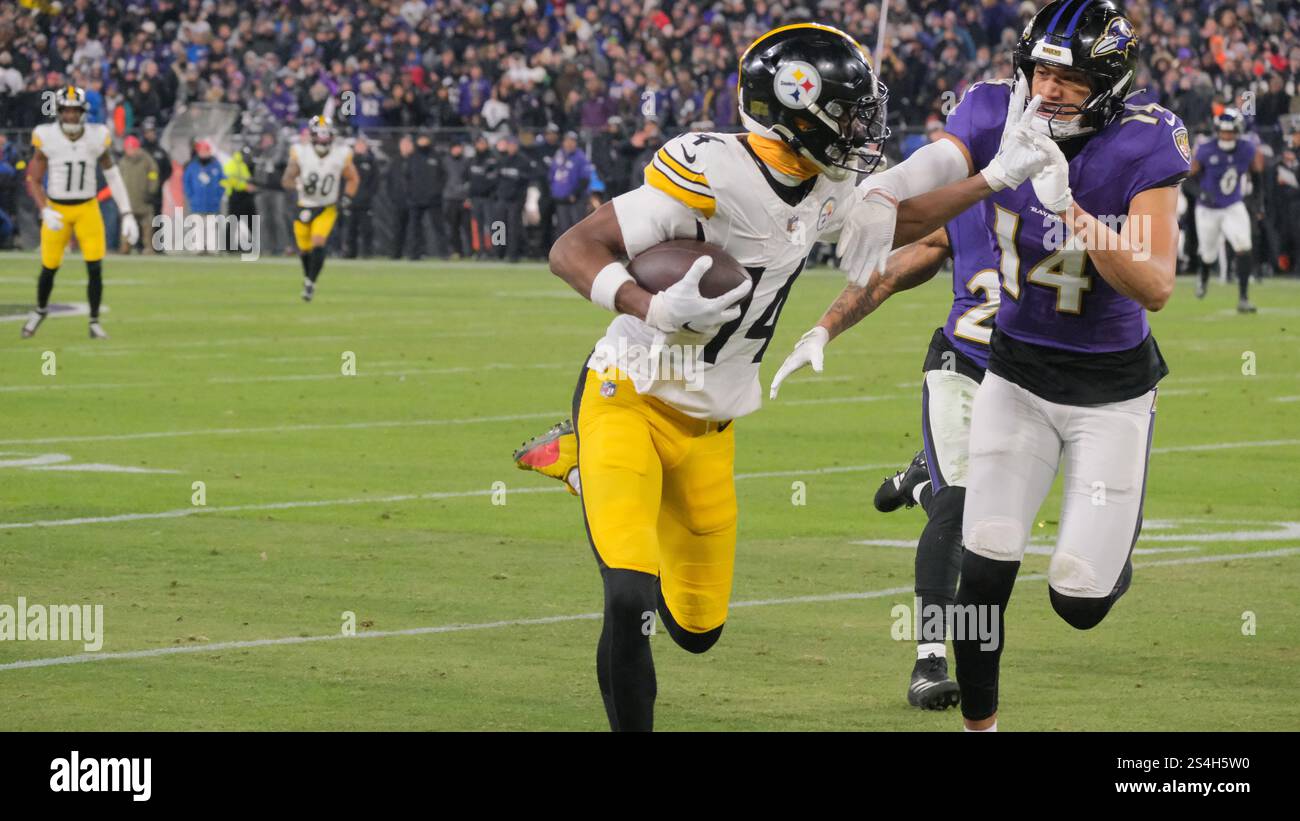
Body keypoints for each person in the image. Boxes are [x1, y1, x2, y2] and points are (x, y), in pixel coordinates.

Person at [510, 24, 895, 731]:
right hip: (625, 392)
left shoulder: (826, 188)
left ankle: (577, 467)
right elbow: (573, 248)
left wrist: (994, 178)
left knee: (696, 629)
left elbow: (912, 210)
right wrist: (648, 305)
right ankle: (591, 458)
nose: (858, 130)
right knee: (630, 598)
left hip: (709, 424)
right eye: (846, 113)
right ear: (796, 109)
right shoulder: (711, 169)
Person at [21, 85, 139, 340]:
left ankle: (94, 321)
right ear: (59, 111)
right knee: (49, 267)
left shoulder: (97, 136)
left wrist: (127, 212)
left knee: (95, 267)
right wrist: (44, 210)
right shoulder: (46, 136)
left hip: (87, 207)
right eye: (66, 110)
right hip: (57, 209)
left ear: (83, 111)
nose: (71, 115)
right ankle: (40, 310)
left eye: (75, 110)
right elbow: (33, 179)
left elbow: (112, 174)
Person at [1189, 109, 1265, 311]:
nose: (1226, 136)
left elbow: (1257, 176)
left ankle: (1243, 298)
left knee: (1243, 245)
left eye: (1230, 132)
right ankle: (1203, 278)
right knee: (1208, 254)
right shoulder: (1205, 149)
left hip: (1233, 204)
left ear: (1238, 131)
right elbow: (1188, 178)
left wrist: (1258, 203)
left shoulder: (1247, 148)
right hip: (1208, 208)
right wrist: (1201, 193)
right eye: (1223, 132)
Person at [281, 116, 359, 301]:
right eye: (320, 134)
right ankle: (308, 277)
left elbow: (353, 178)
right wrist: (298, 185)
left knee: (318, 241)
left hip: (326, 206)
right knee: (304, 249)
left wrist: (347, 198)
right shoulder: (301, 152)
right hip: (304, 205)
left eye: (326, 134)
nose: (323, 138)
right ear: (312, 134)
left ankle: (311, 283)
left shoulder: (340, 154)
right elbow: (287, 179)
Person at [117, 134, 159, 254]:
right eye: (128, 148)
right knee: (127, 226)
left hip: (143, 199)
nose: (130, 150)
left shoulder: (147, 160)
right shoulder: (122, 162)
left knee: (147, 226)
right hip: (128, 200)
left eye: (132, 148)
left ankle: (148, 248)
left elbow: (153, 174)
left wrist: (151, 190)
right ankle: (125, 248)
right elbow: (118, 179)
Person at [343, 135, 381, 259]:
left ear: (366, 147)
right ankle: (350, 253)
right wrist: (346, 196)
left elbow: (375, 182)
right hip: (350, 202)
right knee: (350, 230)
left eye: (362, 145)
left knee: (367, 230)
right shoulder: (348, 162)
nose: (360, 147)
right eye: (358, 145)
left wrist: (367, 195)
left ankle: (367, 253)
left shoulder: (371, 162)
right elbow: (343, 180)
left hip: (365, 203)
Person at [549, 130, 592, 238]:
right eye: (567, 140)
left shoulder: (581, 157)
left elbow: (585, 179)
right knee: (563, 229)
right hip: (561, 199)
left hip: (576, 200)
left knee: (577, 229)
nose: (569, 143)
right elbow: (552, 175)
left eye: (572, 141)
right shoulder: (558, 154)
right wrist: (554, 191)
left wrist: (575, 194)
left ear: (576, 143)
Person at [221, 142, 257, 254]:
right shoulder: (232, 163)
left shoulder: (244, 164)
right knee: (233, 221)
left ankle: (253, 245)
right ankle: (228, 246)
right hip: (235, 195)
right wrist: (245, 186)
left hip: (246, 196)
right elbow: (229, 180)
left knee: (252, 220)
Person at [466, 136, 496, 260]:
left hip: (489, 198)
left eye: (483, 143)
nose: (481, 145)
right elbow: (469, 179)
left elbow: (493, 180)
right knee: (478, 226)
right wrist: (469, 196)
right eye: (479, 143)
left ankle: (495, 251)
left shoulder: (492, 160)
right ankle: (480, 251)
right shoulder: (472, 160)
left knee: (494, 225)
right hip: (476, 198)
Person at [441, 141, 472, 259]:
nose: (457, 150)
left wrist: (468, 197)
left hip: (463, 199)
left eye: (459, 147)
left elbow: (470, 179)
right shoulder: (445, 161)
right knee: (453, 227)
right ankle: (457, 251)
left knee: (467, 227)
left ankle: (470, 251)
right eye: (455, 148)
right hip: (450, 198)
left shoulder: (466, 162)